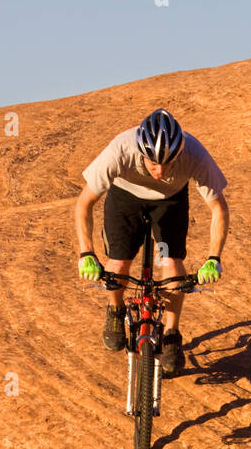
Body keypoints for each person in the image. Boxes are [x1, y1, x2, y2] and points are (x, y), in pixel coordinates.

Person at [75, 109, 229, 375]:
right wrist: (86, 252)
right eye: (152, 163)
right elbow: (84, 203)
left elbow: (219, 208)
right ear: (140, 152)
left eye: (167, 164)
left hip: (171, 200)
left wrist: (213, 259)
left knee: (171, 261)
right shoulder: (120, 150)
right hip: (126, 195)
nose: (159, 171)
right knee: (119, 262)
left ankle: (171, 334)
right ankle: (115, 309)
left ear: (179, 153)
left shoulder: (195, 154)